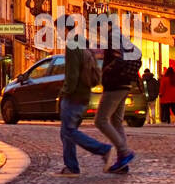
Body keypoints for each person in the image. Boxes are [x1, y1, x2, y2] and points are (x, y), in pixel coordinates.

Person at [54, 36, 110, 176]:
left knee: (69, 131)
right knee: (66, 133)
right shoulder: (85, 48)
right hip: (84, 95)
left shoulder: (72, 47)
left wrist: (64, 92)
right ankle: (71, 167)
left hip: (74, 96)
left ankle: (103, 149)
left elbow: (72, 76)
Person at [94, 38, 139, 175]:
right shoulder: (121, 39)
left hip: (115, 86)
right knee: (116, 121)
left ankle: (124, 152)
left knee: (100, 120)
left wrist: (107, 71)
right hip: (125, 85)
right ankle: (122, 161)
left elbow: (119, 60)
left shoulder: (112, 39)